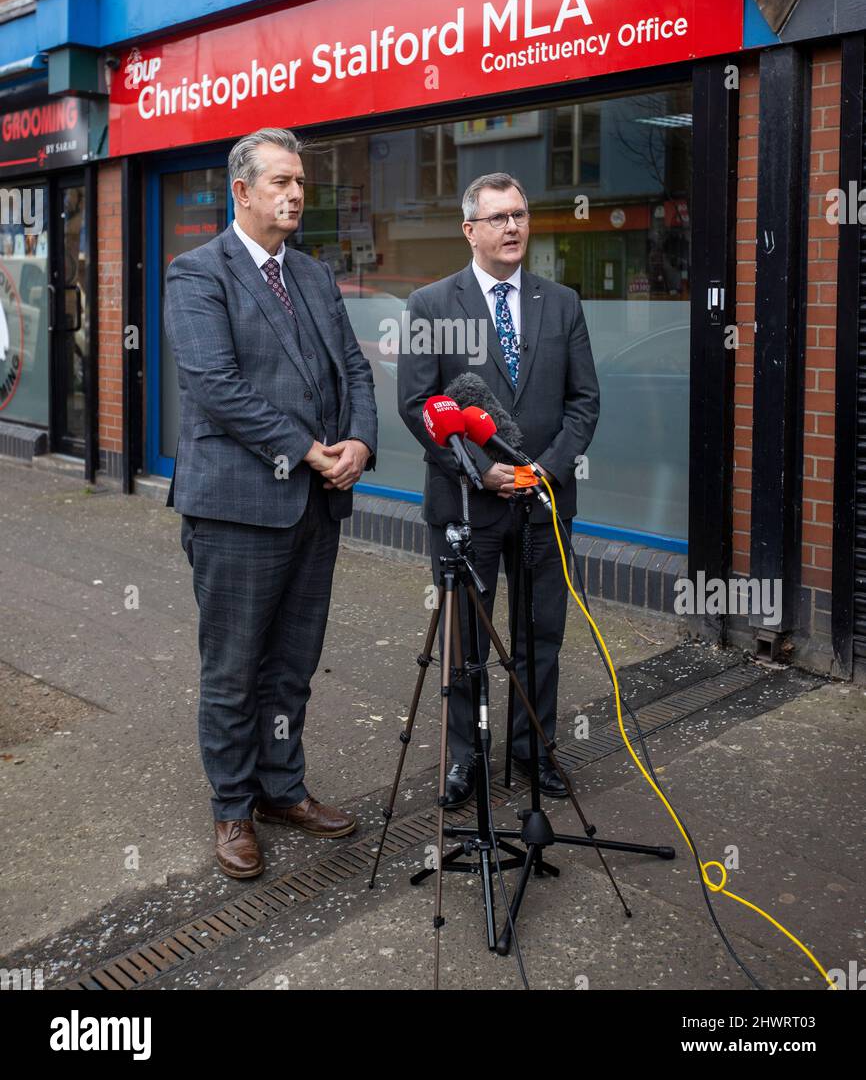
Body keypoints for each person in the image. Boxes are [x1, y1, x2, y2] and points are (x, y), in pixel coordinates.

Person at [164, 127, 377, 878]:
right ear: (242, 191)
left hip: (315, 509)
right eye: (280, 182)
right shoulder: (197, 274)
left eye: (300, 184)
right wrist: (307, 448)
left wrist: (358, 443)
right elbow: (216, 388)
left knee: (291, 665)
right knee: (234, 668)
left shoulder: (314, 276)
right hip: (237, 510)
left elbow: (353, 368)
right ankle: (232, 808)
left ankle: (281, 788)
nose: (294, 195)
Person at [398, 172, 599, 806]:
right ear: (470, 231)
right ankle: (465, 760)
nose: (512, 227)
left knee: (541, 635)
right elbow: (417, 405)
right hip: (468, 504)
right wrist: (478, 470)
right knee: (465, 642)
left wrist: (545, 469)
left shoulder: (561, 302)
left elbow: (584, 403)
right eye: (498, 218)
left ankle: (534, 751)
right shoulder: (430, 305)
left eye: (520, 215)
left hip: (543, 502)